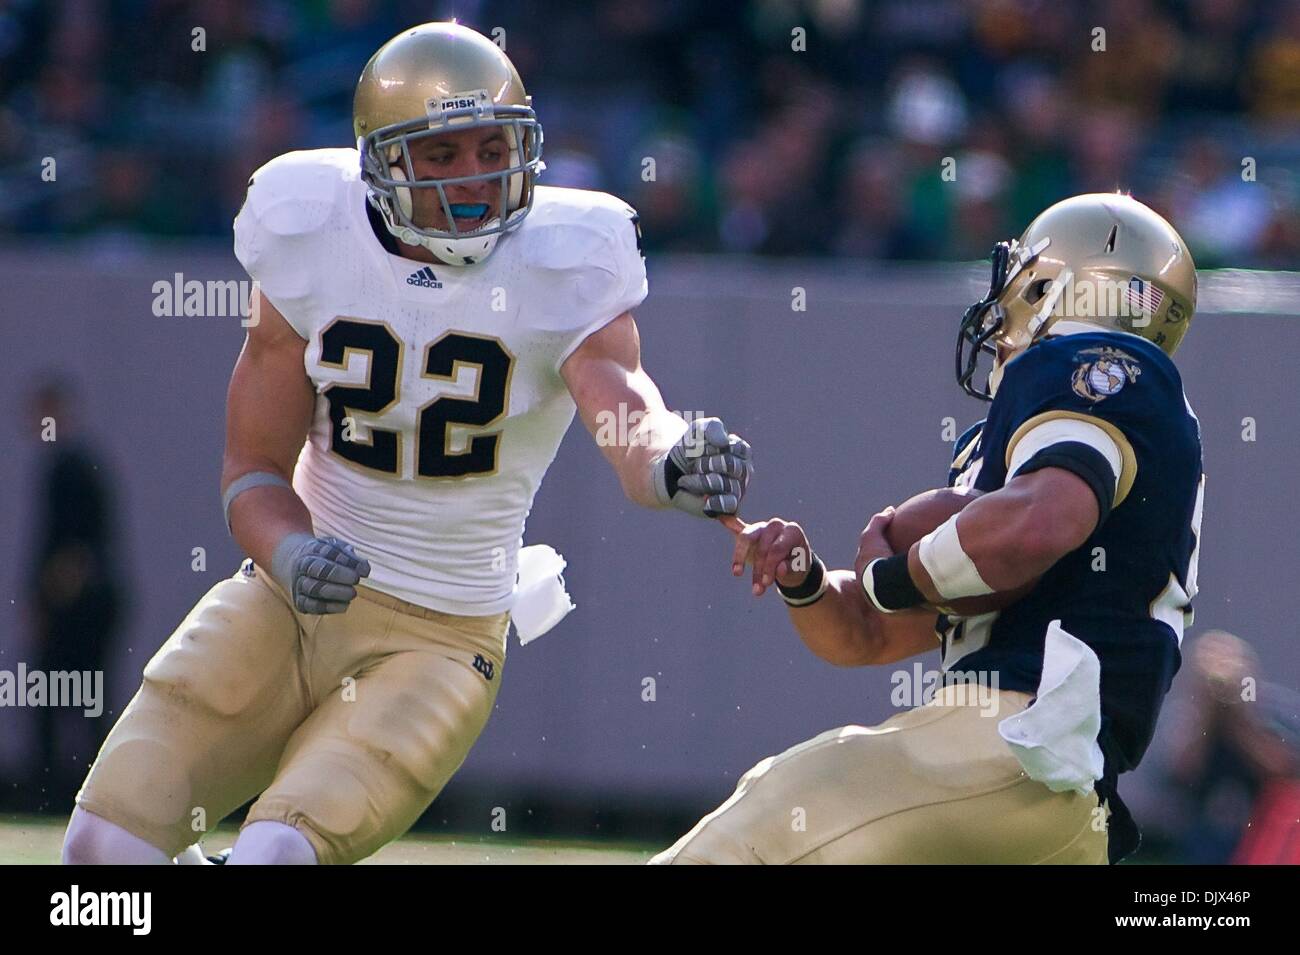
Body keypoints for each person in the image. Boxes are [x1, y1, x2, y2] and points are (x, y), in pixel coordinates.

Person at [62, 21, 751, 865]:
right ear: (382, 163)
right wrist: (290, 555)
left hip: (438, 633)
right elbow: (250, 472)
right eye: (445, 154)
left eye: (492, 147)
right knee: (97, 860)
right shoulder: (310, 227)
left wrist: (675, 456)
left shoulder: (564, 256)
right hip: (286, 602)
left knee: (273, 855)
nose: (477, 176)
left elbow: (628, 416)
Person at [654, 193, 1202, 864]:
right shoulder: (1074, 436)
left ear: (1057, 284)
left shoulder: (1097, 371)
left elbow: (1045, 520)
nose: (1002, 309)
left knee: (759, 825)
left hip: (1002, 748)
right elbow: (873, 629)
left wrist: (898, 570)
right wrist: (807, 580)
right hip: (1062, 809)